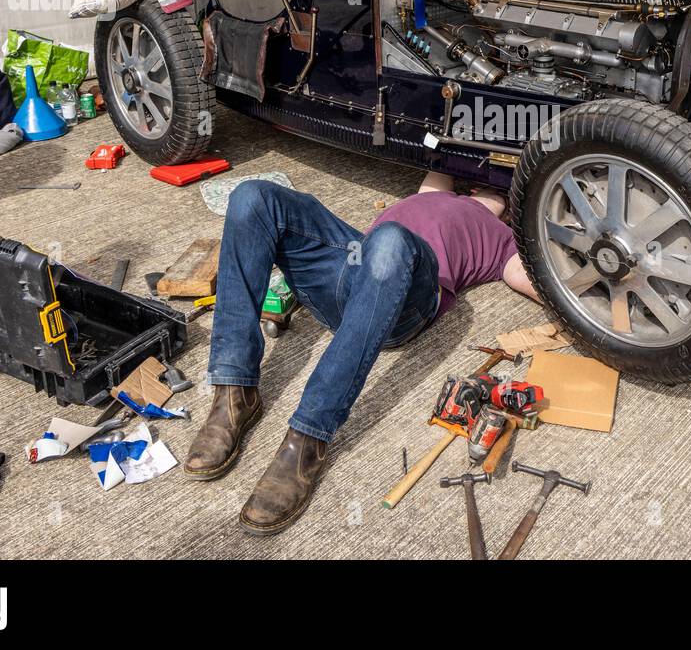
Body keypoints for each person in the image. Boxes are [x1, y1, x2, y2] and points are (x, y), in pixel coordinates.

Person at [183, 171, 539, 535]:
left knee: (391, 241)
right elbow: (438, 161)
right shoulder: (430, 195)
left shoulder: (503, 240)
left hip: (402, 302)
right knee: (252, 196)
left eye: (503, 192)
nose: (488, 190)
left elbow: (541, 284)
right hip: (352, 268)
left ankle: (308, 437)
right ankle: (234, 392)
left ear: (512, 209)